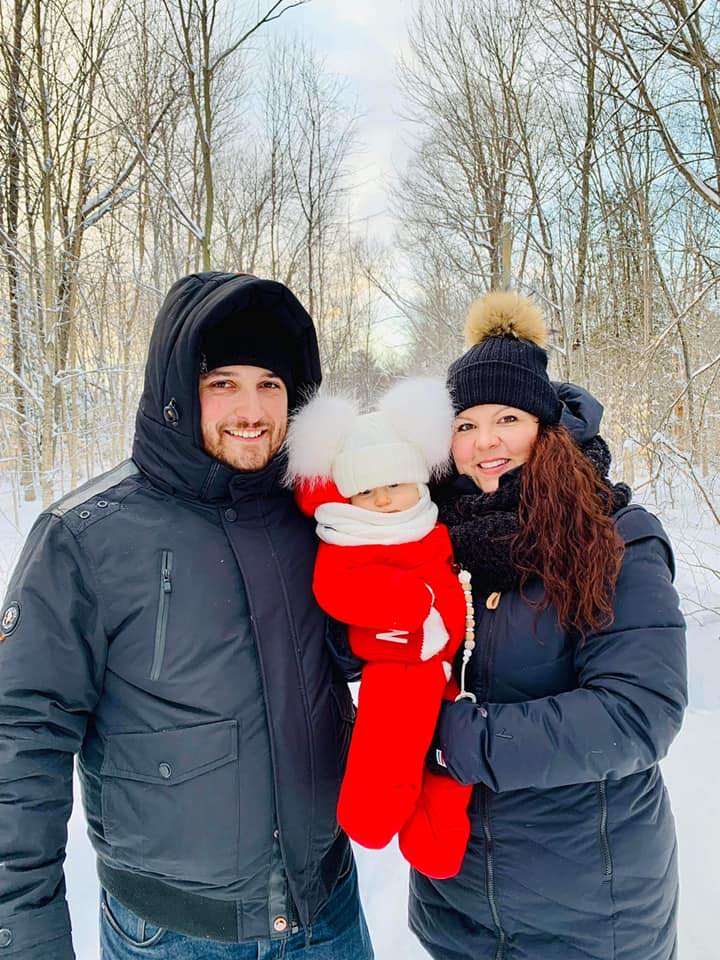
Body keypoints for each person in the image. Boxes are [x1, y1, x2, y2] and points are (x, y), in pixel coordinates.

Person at [0, 272, 374, 959]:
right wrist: (25, 934)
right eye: (222, 382)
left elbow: (352, 654)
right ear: (178, 393)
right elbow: (20, 742)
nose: (252, 409)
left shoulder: (316, 517)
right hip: (174, 934)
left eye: (270, 384)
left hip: (327, 911)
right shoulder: (85, 538)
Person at [409, 290, 687, 960]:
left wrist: (454, 739)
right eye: (466, 424)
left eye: (507, 417)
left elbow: (635, 713)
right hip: (456, 908)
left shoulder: (615, 538)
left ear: (545, 426)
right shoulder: (429, 538)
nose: (486, 441)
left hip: (592, 914)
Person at [286, 378, 472, 880]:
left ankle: (434, 839)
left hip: (449, 669)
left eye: (394, 484)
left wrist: (443, 609)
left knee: (448, 764)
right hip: (397, 669)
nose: (384, 500)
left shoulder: (430, 527)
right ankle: (370, 815)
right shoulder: (347, 538)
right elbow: (338, 591)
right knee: (389, 747)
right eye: (366, 490)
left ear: (418, 482)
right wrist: (414, 606)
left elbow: (450, 581)